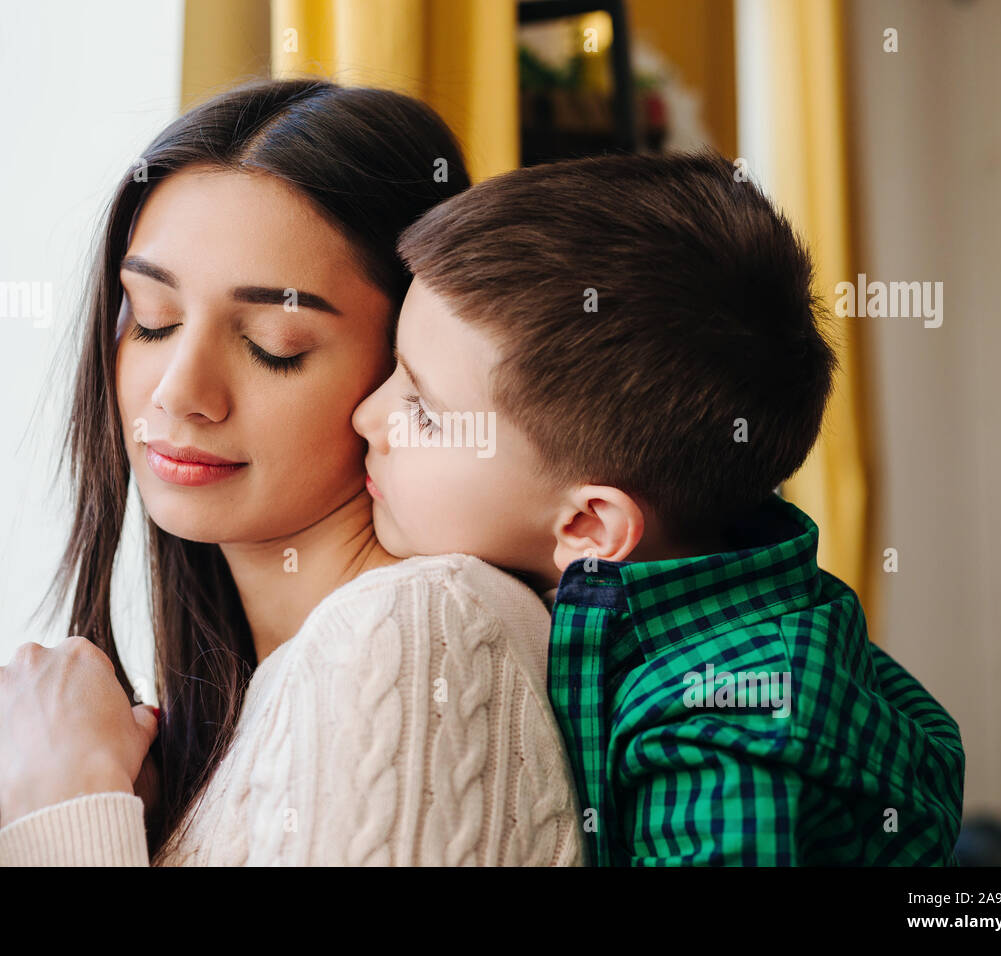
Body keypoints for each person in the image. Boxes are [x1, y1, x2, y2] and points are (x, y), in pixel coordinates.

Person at [0, 79, 585, 867]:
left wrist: (64, 798)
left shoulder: (416, 632)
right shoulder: (282, 685)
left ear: (407, 362)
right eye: (152, 320)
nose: (180, 392)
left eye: (275, 345)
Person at [352, 149, 967, 865]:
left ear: (588, 526)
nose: (368, 415)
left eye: (424, 412)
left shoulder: (725, 730)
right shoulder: (698, 558)